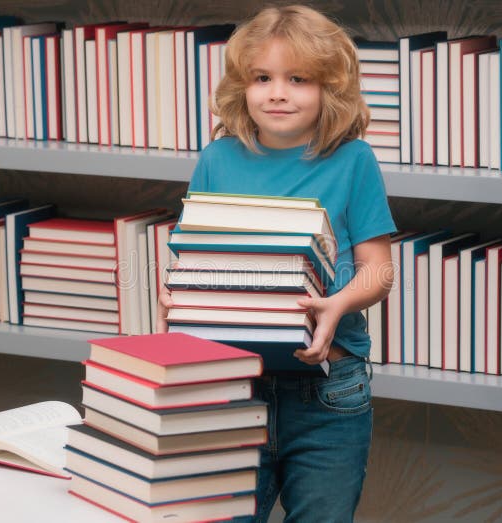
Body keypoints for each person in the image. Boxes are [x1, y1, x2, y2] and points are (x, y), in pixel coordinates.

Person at [157, 5, 397, 522]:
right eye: (262, 77)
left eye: (298, 79)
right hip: (230, 383)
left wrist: (337, 304)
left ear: (329, 89)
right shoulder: (216, 159)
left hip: (329, 387)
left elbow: (379, 270)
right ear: (242, 86)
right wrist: (174, 297)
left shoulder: (354, 160)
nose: (277, 92)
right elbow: (192, 259)